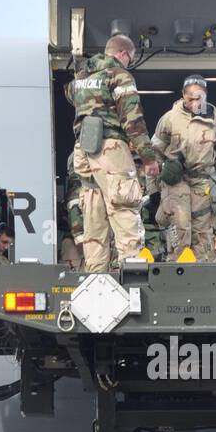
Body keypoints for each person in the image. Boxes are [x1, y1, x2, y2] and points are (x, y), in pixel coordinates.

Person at [66, 33, 159, 272]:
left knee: (94, 215)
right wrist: (148, 157)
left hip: (84, 151)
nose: (129, 64)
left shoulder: (82, 77)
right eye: (130, 59)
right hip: (110, 148)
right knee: (125, 207)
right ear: (123, 54)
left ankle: (95, 276)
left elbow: (70, 94)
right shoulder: (119, 75)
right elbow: (133, 119)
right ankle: (132, 277)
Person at [153, 75, 216, 260]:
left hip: (203, 182)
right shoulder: (170, 118)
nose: (195, 102)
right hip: (175, 182)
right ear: (183, 96)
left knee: (204, 237)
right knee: (178, 234)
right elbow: (154, 153)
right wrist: (155, 189)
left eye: (199, 98)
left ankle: (205, 280)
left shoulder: (214, 118)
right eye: (191, 98)